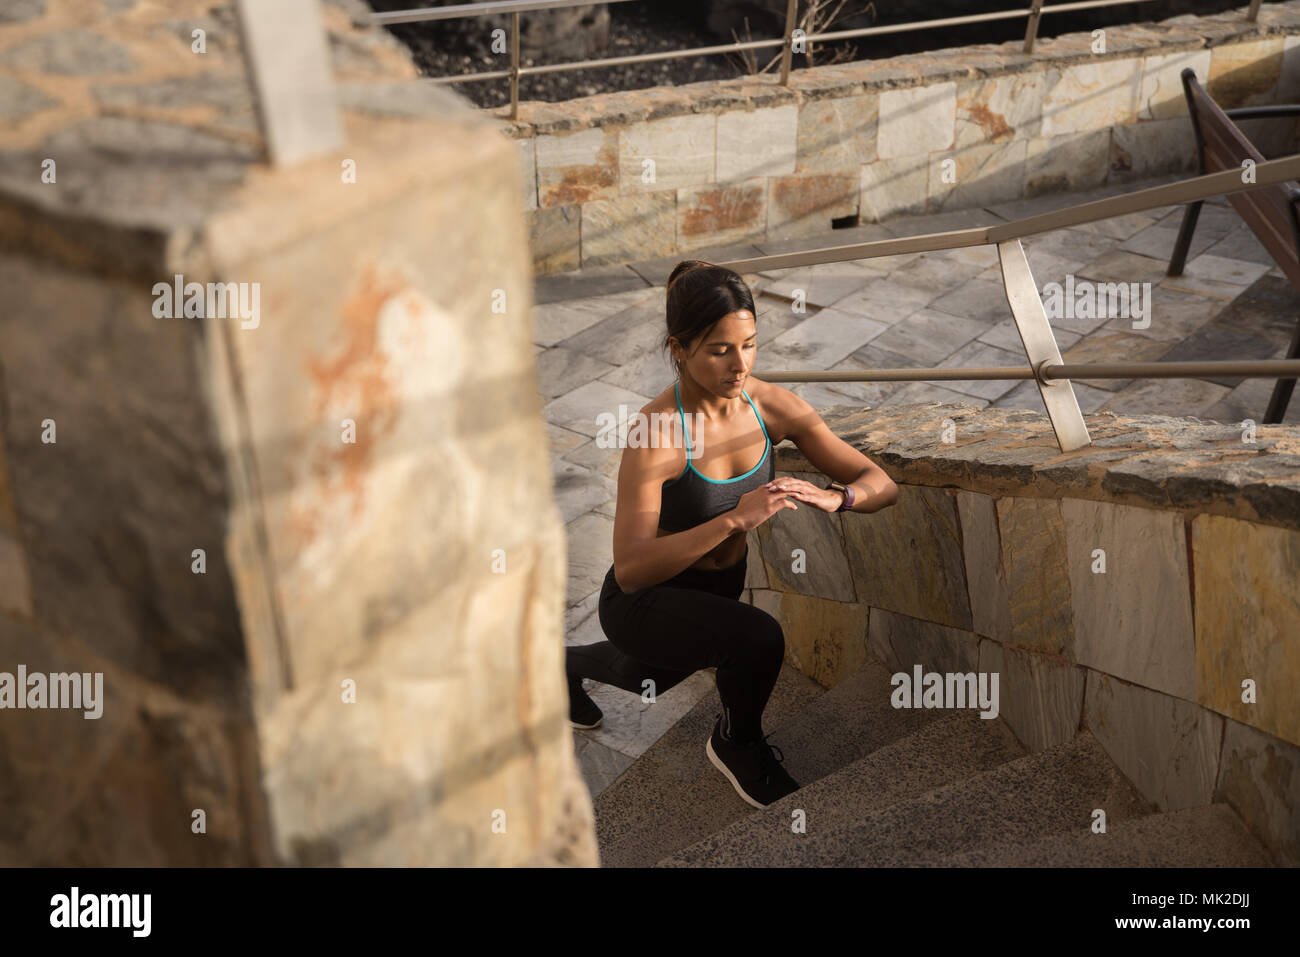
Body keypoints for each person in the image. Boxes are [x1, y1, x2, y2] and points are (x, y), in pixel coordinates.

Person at [565, 259, 899, 809]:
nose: (740, 364)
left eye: (749, 345)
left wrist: (838, 497)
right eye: (720, 350)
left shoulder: (770, 407)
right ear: (679, 349)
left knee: (643, 674)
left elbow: (881, 483)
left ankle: (561, 666)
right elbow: (632, 568)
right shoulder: (657, 434)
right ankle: (736, 742)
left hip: (714, 591)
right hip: (646, 598)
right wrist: (732, 520)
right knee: (757, 638)